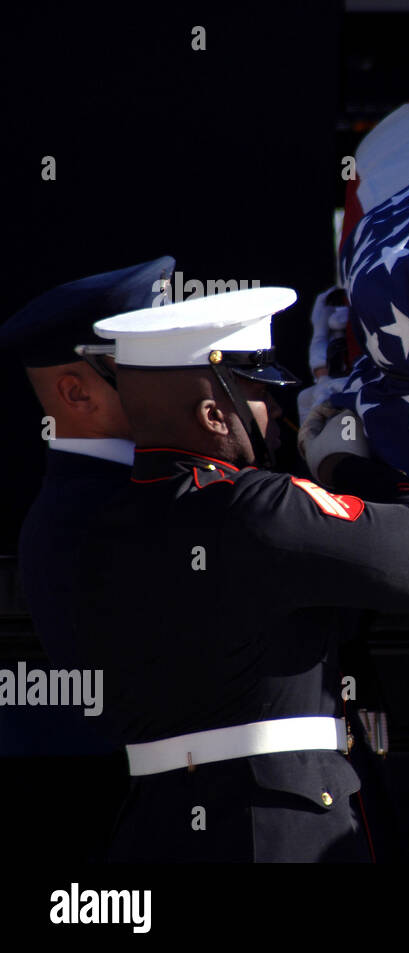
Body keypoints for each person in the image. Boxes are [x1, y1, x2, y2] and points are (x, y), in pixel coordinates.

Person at [71, 285, 409, 862]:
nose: (277, 410)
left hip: (153, 823)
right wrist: (346, 463)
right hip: (277, 827)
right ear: (213, 415)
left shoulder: (98, 523)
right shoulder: (257, 508)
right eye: (260, 393)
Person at [0, 256, 174, 863]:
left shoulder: (152, 487)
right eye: (150, 364)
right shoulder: (102, 509)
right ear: (76, 390)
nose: (177, 377)